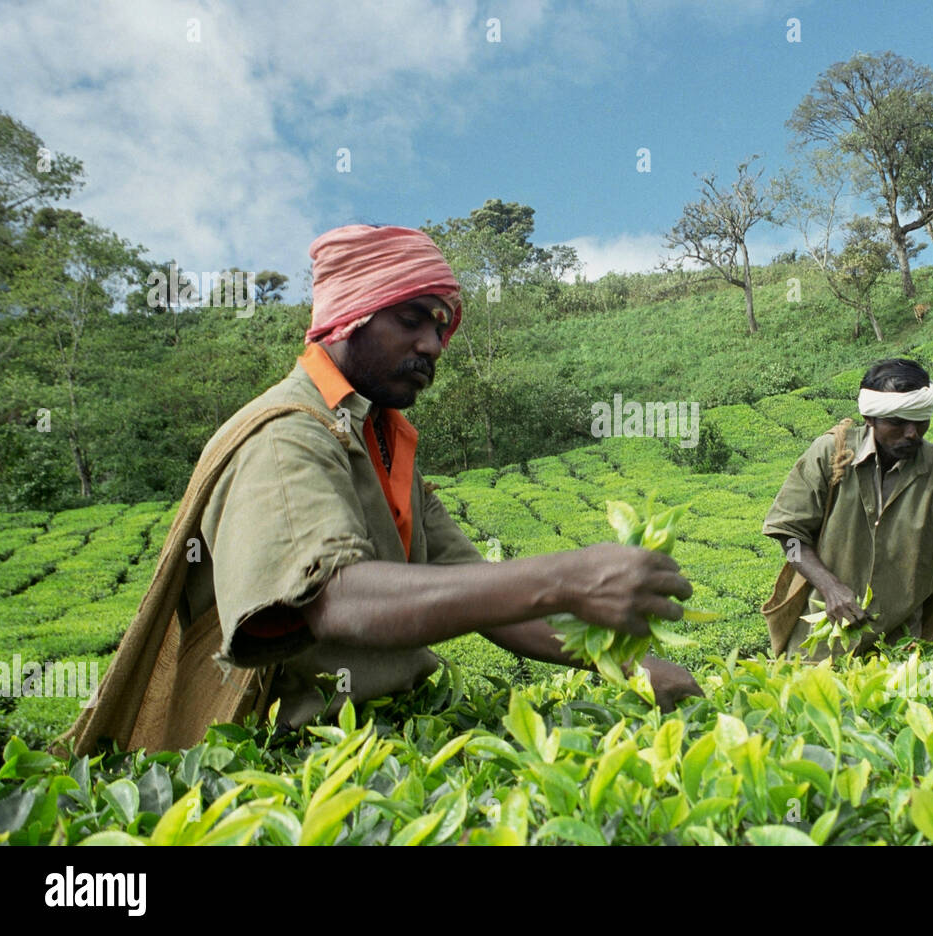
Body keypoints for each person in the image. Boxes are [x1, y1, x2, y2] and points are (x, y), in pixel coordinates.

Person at [181, 224, 702, 732]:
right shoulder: (286, 434)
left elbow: (492, 601)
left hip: (397, 729)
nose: (433, 346)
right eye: (412, 320)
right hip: (305, 746)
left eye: (439, 328)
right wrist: (567, 578)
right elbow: (337, 599)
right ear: (350, 315)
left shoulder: (382, 438)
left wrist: (628, 667)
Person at [762, 358, 933, 659]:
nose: (911, 433)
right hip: (816, 652)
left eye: (920, 420)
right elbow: (789, 536)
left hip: (899, 652)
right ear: (870, 418)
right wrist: (830, 587)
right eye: (897, 422)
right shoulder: (832, 455)